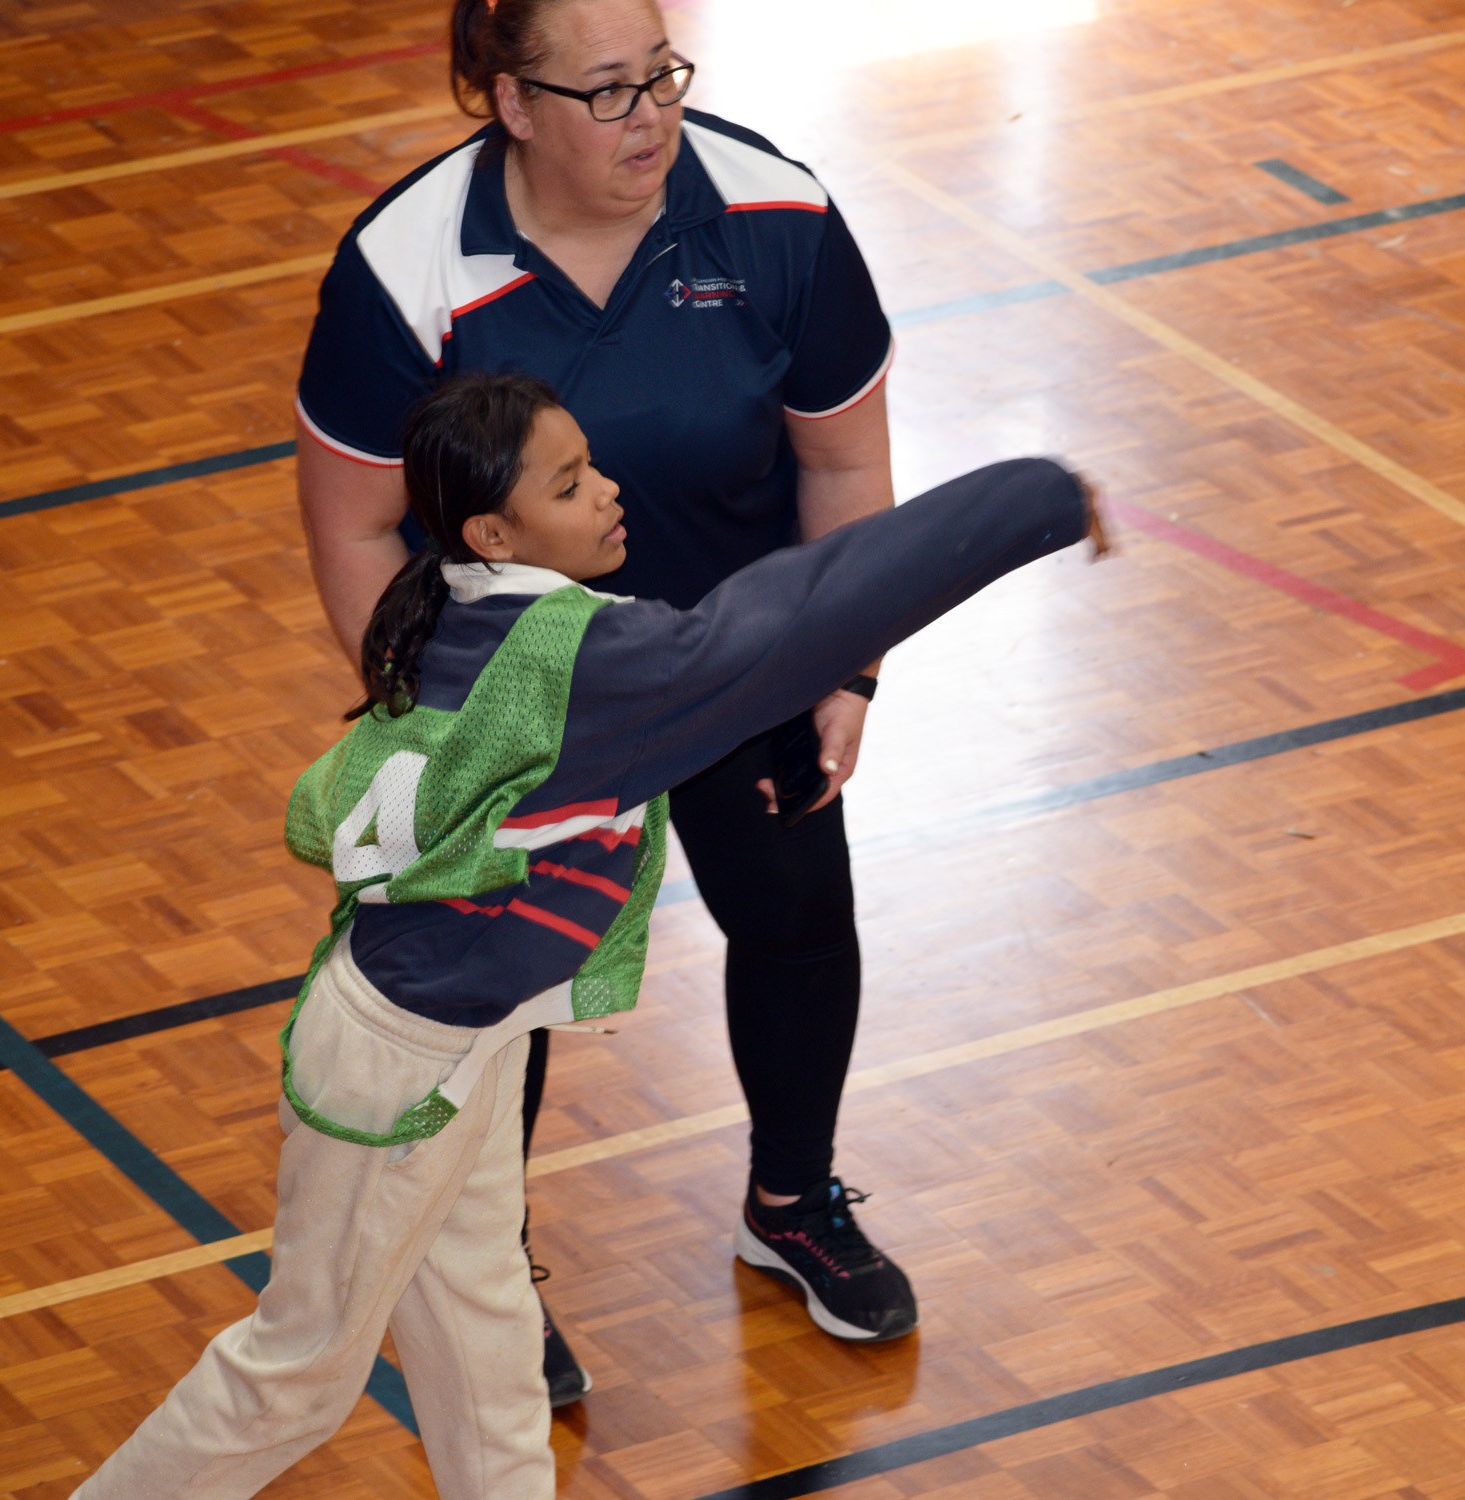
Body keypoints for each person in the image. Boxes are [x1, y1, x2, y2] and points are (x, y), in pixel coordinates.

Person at [74, 372, 1101, 1500]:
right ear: (494, 533)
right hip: (398, 1069)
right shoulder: (586, 664)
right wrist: (1029, 499)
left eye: (591, 466)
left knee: (488, 1341)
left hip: (453, 1047)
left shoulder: (453, 606)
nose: (610, 492)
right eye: (569, 487)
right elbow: (797, 614)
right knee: (299, 1373)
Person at [297, 0, 942, 1386]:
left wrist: (849, 665)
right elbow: (354, 528)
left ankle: (791, 1205)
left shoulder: (775, 215)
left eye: (662, 76)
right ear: (511, 102)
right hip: (524, 704)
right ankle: (488, 1275)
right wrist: (438, 725)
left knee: (797, 920)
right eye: (606, 92)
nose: (651, 116)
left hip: (738, 663)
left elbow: (842, 465)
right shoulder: (406, 266)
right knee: (504, 988)